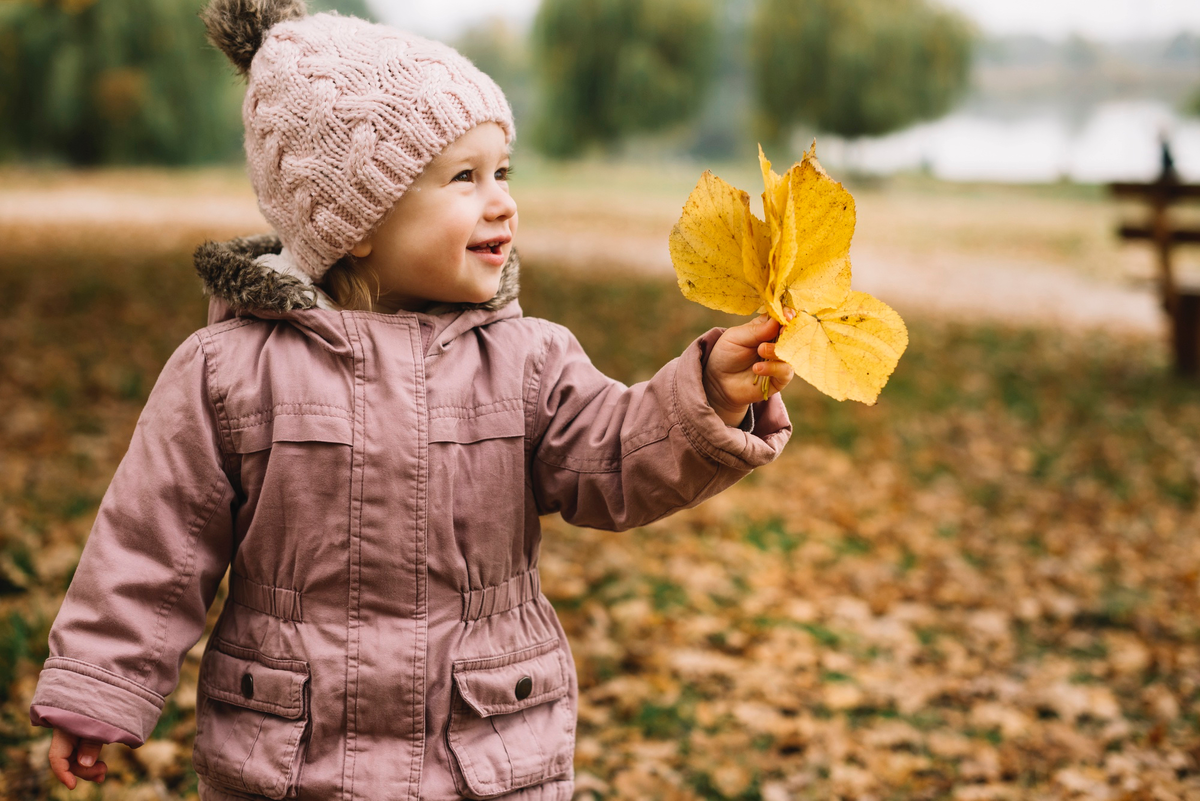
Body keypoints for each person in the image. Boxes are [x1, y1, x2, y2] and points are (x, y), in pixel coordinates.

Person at [28, 0, 794, 798]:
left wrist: (707, 392)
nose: (501, 201)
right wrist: (98, 687)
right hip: (293, 762)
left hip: (487, 753)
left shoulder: (527, 361)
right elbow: (153, 542)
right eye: (463, 178)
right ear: (356, 221)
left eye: (504, 172)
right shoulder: (229, 372)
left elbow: (614, 458)